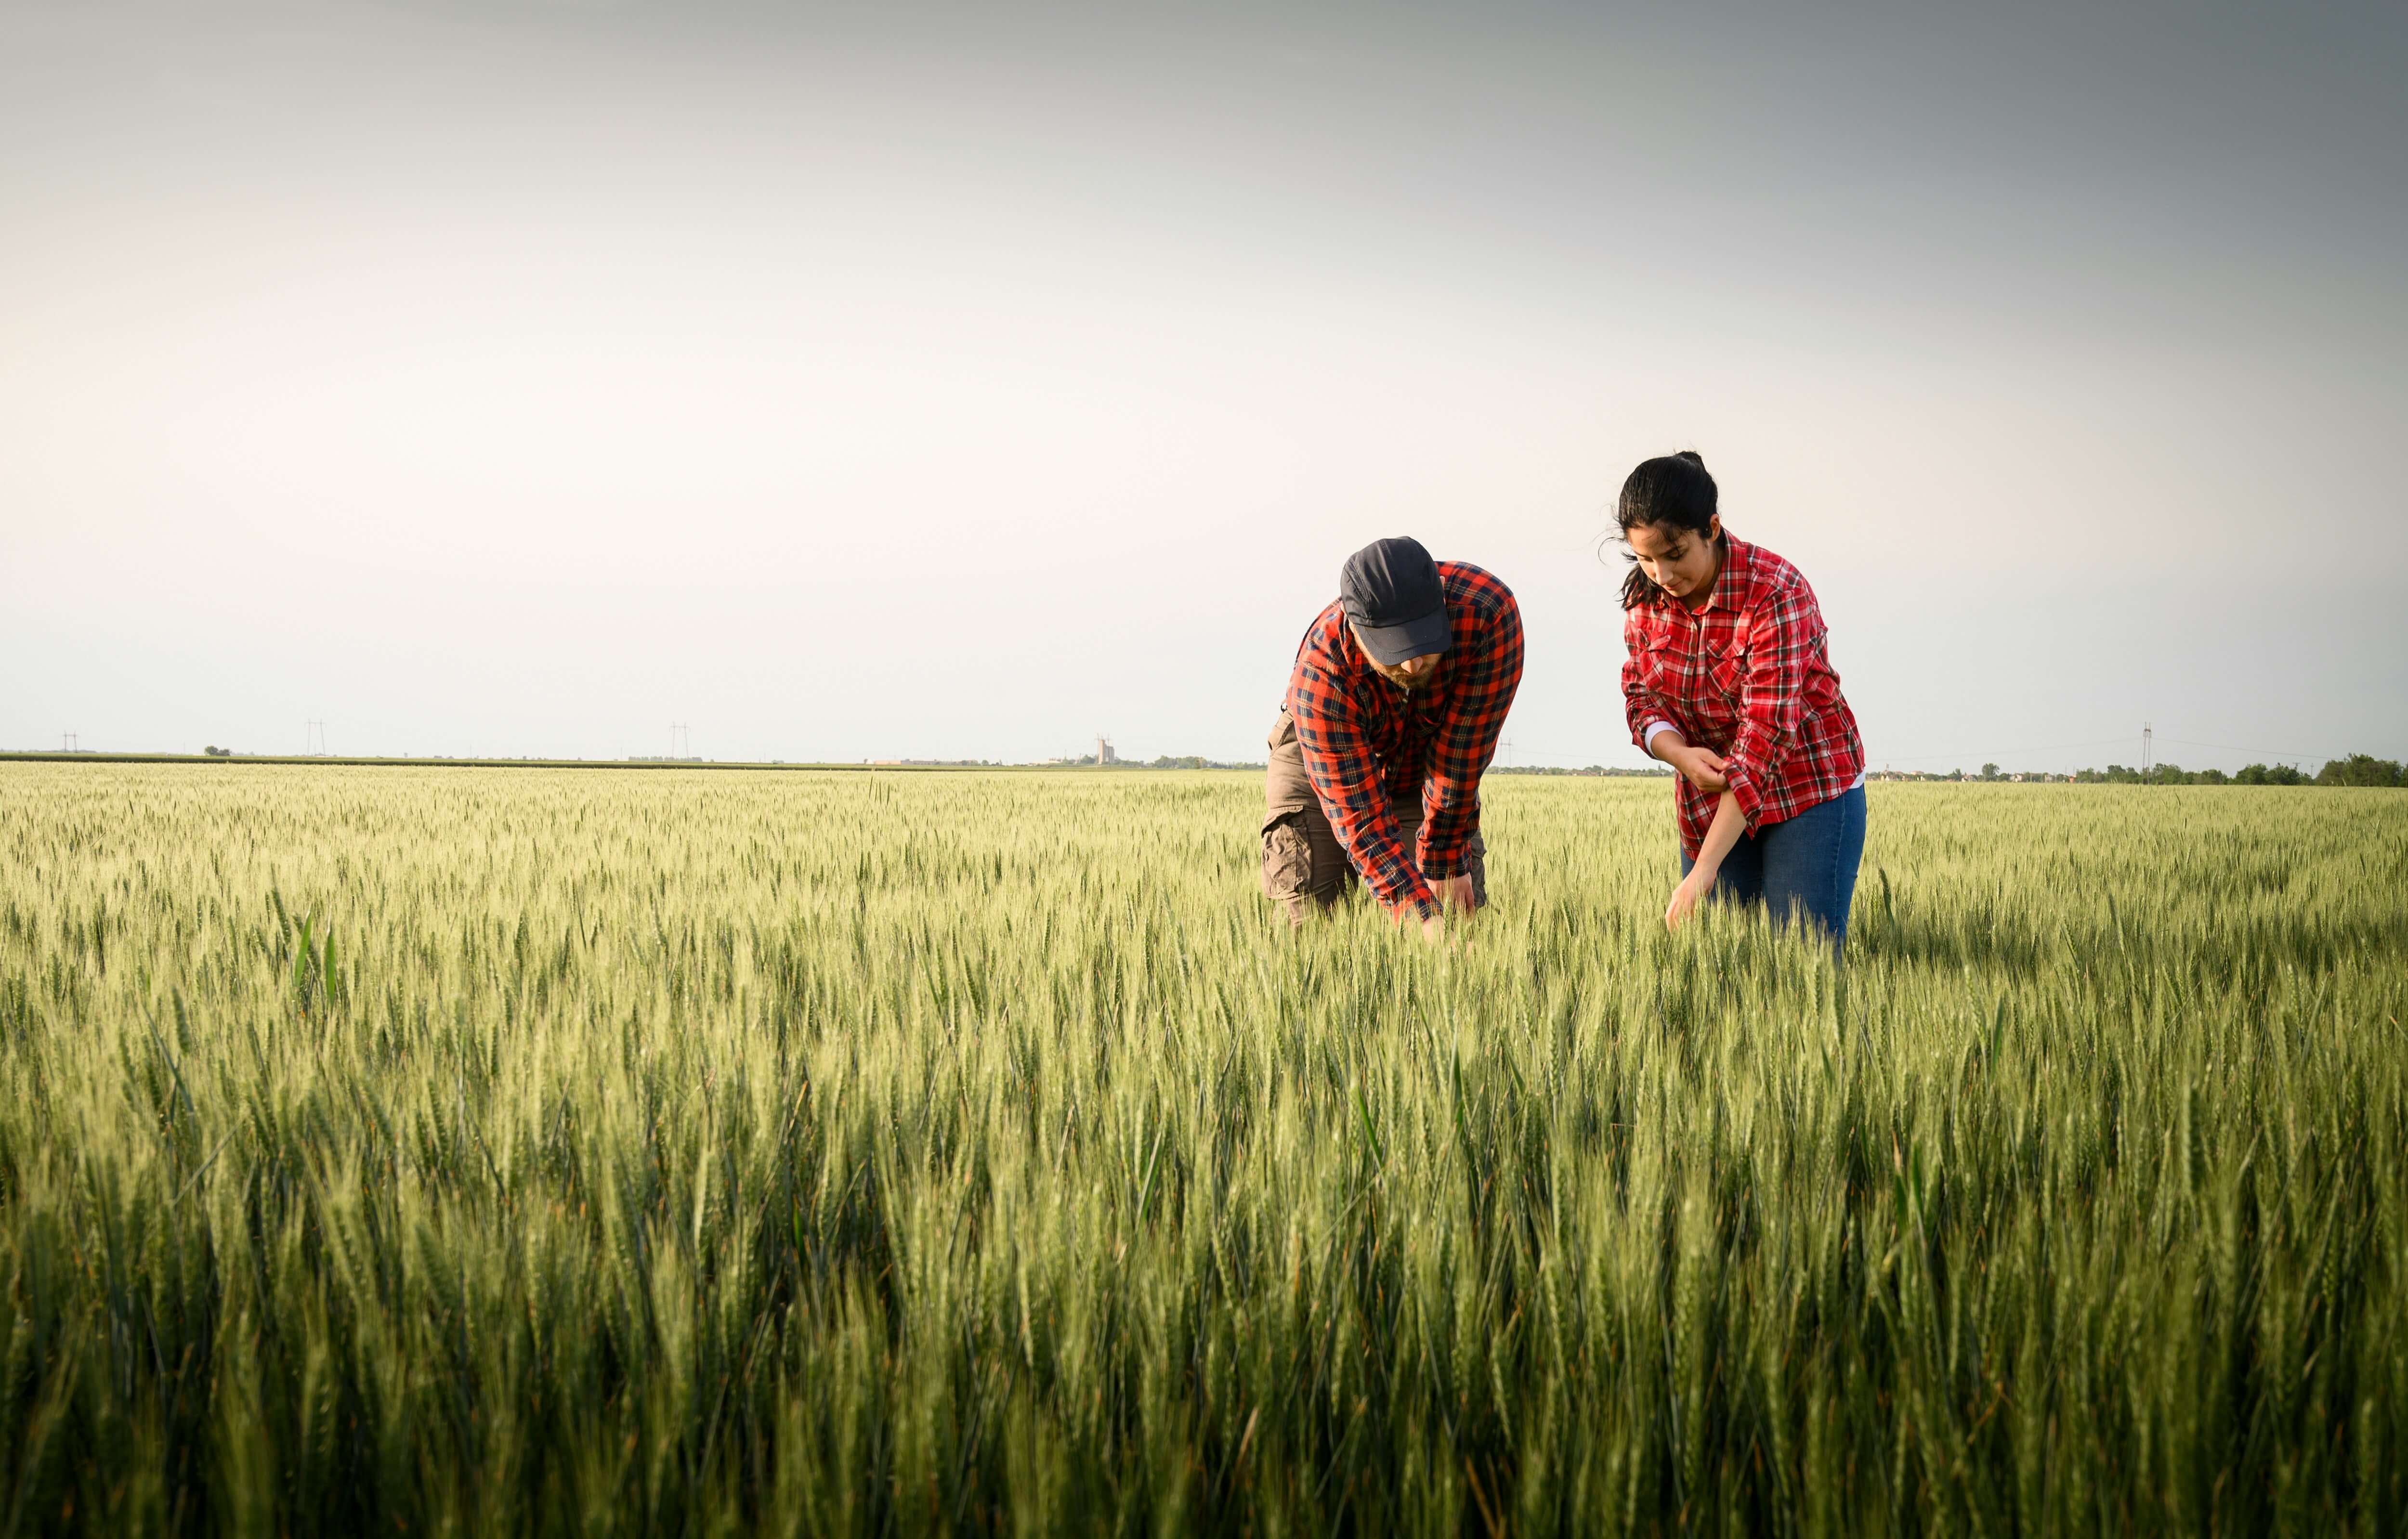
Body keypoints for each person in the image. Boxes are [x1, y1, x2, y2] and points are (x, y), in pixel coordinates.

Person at [1616, 452, 1867, 952]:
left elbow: (1762, 740)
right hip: (1709, 795)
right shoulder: (1645, 600)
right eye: (1644, 559)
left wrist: (1703, 869)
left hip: (1805, 787)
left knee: (1801, 959)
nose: (1660, 573)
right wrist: (1678, 754)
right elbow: (1640, 697)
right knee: (1717, 964)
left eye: (1673, 553)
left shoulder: (1775, 591)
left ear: (1711, 528)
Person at [1262, 536, 1523, 939]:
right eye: (1392, 647)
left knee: (1457, 926)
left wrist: (1445, 858)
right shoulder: (1321, 672)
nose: (1412, 662)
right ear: (1357, 627)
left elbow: (1462, 757)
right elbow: (1361, 820)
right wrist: (1417, 911)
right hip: (1322, 774)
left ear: (1441, 605)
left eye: (1422, 639)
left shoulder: (1487, 614)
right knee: (1308, 932)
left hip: (1424, 769)